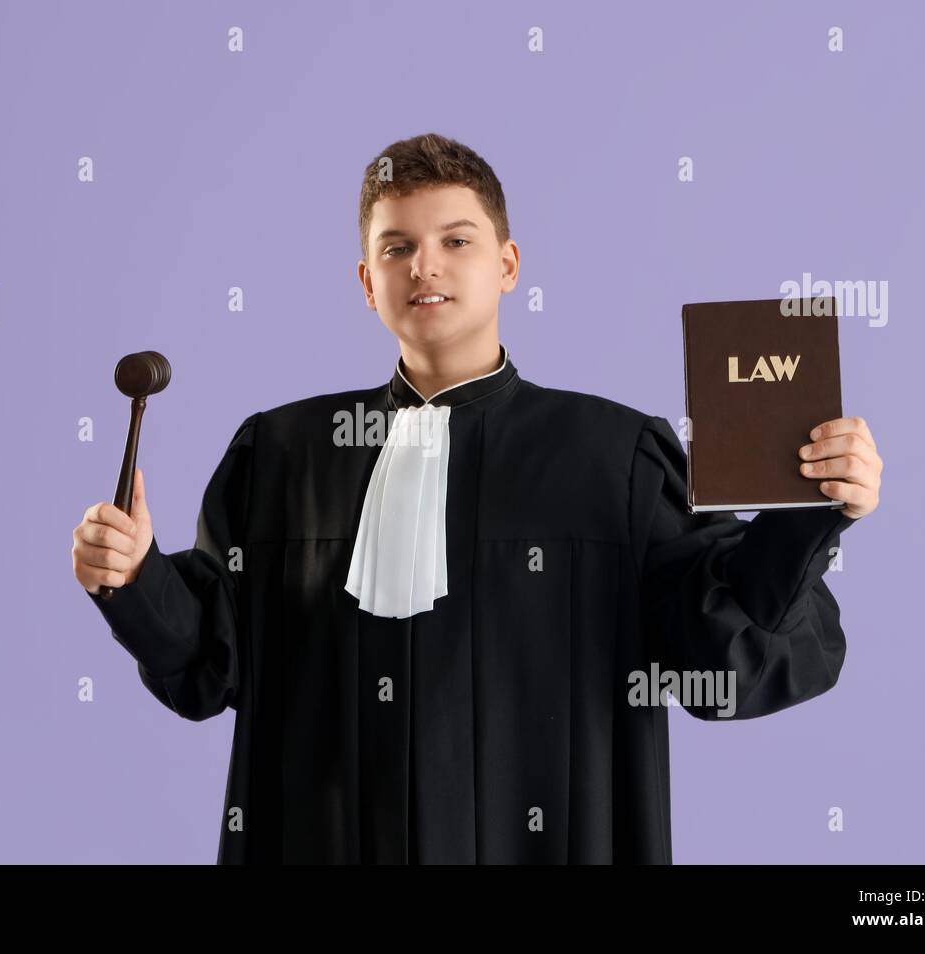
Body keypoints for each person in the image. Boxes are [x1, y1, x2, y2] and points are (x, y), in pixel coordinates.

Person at [71, 132, 883, 864]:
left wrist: (810, 513)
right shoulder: (279, 454)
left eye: (456, 241)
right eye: (397, 248)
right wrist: (137, 578)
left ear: (508, 264)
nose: (424, 265)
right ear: (366, 281)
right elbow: (212, 665)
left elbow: (720, 648)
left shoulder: (616, 455)